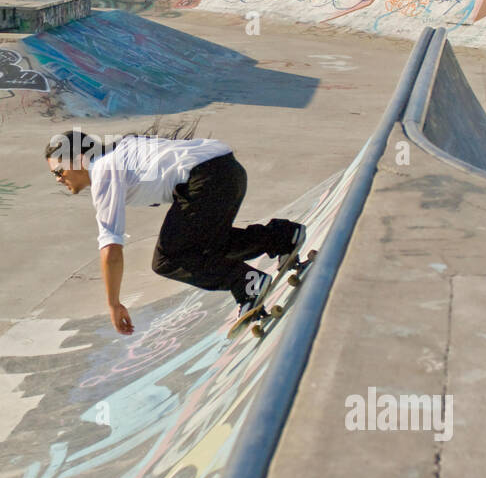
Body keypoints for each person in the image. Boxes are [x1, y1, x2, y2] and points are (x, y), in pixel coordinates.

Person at [45, 129, 305, 335]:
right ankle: (283, 237)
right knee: (202, 246)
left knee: (167, 259)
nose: (58, 178)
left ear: (79, 160)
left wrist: (113, 304)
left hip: (206, 179)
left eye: (59, 171)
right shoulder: (120, 151)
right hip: (227, 168)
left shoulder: (103, 171)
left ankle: (247, 284)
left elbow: (111, 249)